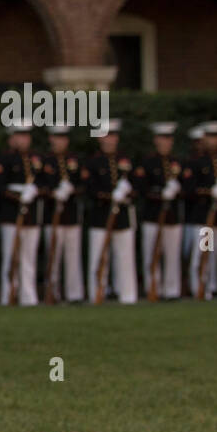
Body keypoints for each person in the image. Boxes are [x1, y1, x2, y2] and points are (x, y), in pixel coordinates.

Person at [82, 120, 137, 304]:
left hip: (122, 216)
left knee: (125, 258)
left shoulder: (126, 160)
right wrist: (110, 196)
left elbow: (138, 186)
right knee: (98, 257)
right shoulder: (93, 162)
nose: (110, 140)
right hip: (101, 216)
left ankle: (128, 295)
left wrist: (128, 191)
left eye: (112, 135)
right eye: (106, 135)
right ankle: (97, 293)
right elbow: (89, 190)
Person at [182, 120, 217, 301]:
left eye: (216, 137)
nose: (213, 141)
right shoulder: (196, 162)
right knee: (203, 255)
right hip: (205, 216)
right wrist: (210, 191)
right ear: (204, 138)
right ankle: (201, 289)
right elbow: (189, 189)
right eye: (210, 137)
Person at [0, 121, 43, 306]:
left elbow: (46, 184)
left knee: (29, 258)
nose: (23, 140)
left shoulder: (36, 159)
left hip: (31, 216)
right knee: (10, 256)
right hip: (11, 215)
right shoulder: (5, 159)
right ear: (11, 139)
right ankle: (8, 294)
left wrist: (35, 191)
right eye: (19, 136)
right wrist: (18, 195)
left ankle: (28, 296)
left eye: (26, 136)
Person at [134, 121, 184, 301]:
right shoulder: (147, 162)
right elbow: (142, 189)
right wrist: (159, 193)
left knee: (172, 255)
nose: (166, 142)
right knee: (151, 254)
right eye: (163, 138)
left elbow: (188, 188)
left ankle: (172, 290)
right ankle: (153, 288)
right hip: (153, 216)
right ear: (156, 140)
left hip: (172, 217)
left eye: (169, 139)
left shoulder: (177, 162)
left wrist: (177, 190)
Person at [40, 125, 84, 303]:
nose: (60, 142)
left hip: (71, 216)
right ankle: (52, 292)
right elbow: (40, 186)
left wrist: (72, 190)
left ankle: (74, 294)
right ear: (51, 139)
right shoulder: (45, 161)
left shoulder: (74, 160)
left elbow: (84, 185)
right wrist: (52, 192)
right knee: (53, 257)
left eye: (63, 138)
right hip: (52, 216)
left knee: (73, 257)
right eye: (57, 138)